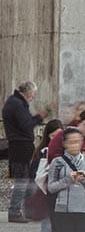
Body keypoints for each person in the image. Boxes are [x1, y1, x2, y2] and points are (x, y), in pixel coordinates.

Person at [5, 81, 46, 223]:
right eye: (33, 94)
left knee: (26, 179)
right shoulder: (17, 104)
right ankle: (15, 211)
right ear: (28, 92)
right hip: (21, 145)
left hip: (19, 145)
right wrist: (39, 117)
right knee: (22, 180)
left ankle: (27, 210)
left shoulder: (14, 102)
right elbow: (26, 124)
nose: (33, 97)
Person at [30, 119, 64, 232]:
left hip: (61, 196)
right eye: (53, 135)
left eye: (59, 135)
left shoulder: (65, 152)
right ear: (47, 136)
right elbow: (35, 175)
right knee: (47, 229)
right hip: (45, 195)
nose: (56, 138)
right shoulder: (42, 152)